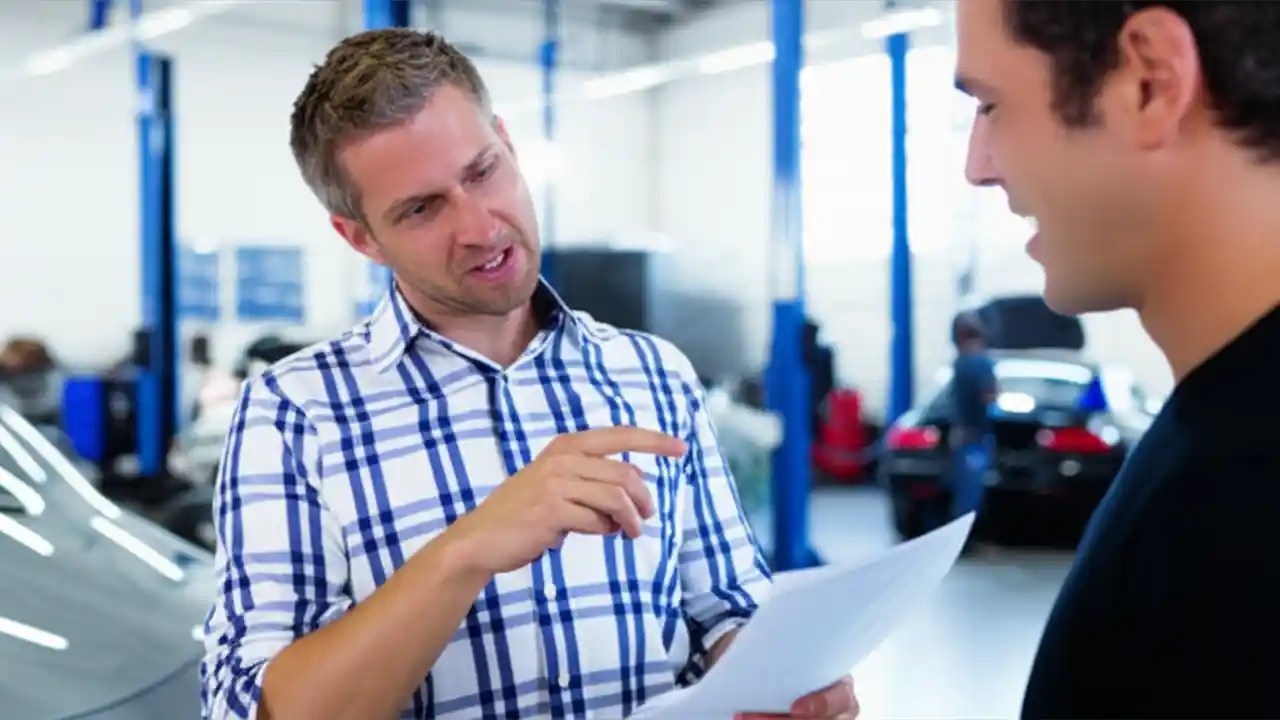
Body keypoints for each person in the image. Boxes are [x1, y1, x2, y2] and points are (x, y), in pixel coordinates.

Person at [199, 29, 858, 720]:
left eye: (483, 172)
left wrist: (779, 678)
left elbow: (726, 606)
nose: (481, 228)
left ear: (508, 144)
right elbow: (260, 709)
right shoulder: (295, 412)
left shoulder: (651, 373)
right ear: (360, 236)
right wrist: (466, 551)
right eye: (422, 209)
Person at [956, 0, 1280, 717]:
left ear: (1150, 81)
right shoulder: (1216, 434)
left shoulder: (1238, 507)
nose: (977, 168)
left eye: (991, 105)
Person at [946, 312, 996, 525]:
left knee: (963, 491)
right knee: (971, 494)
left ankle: (959, 537)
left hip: (960, 435)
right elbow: (989, 396)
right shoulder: (981, 363)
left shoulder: (959, 363)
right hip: (976, 437)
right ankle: (966, 539)